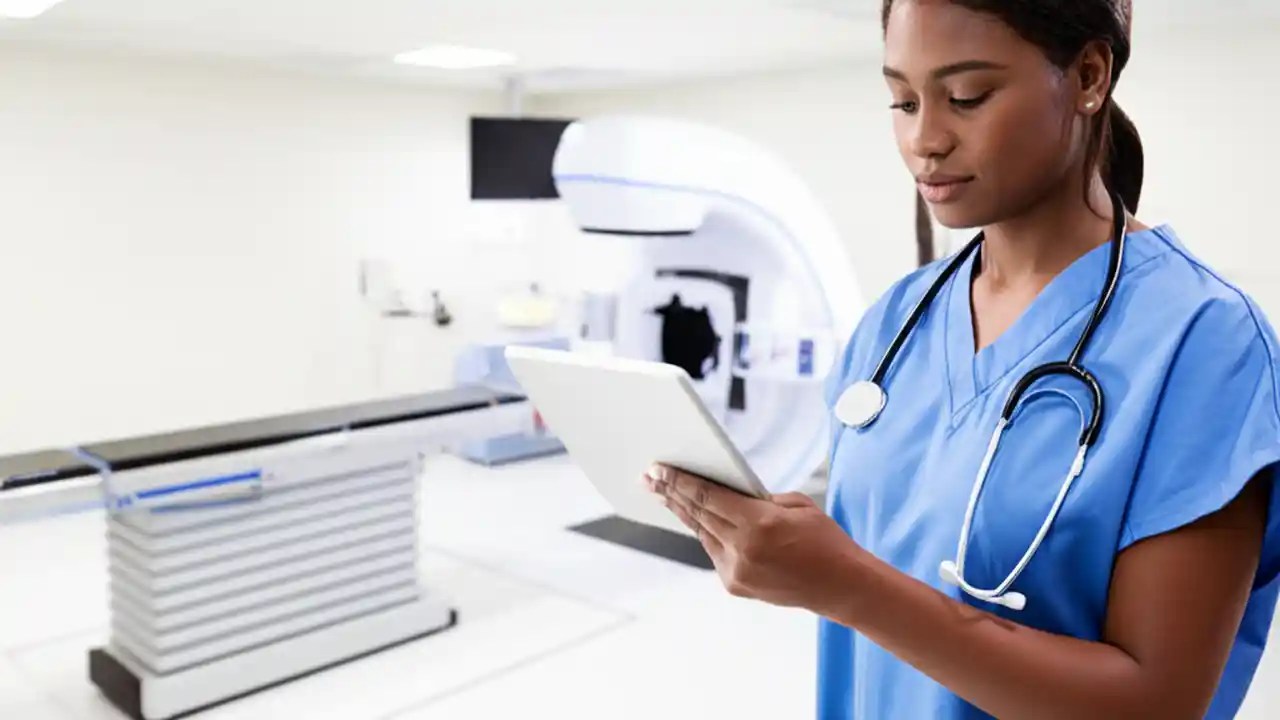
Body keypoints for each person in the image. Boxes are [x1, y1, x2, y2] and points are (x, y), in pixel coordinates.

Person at [643, 1, 1280, 718]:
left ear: (1090, 75)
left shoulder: (1206, 345)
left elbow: (1154, 705)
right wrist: (780, 545)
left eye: (966, 97)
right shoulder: (895, 320)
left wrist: (844, 582)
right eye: (903, 100)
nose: (924, 140)